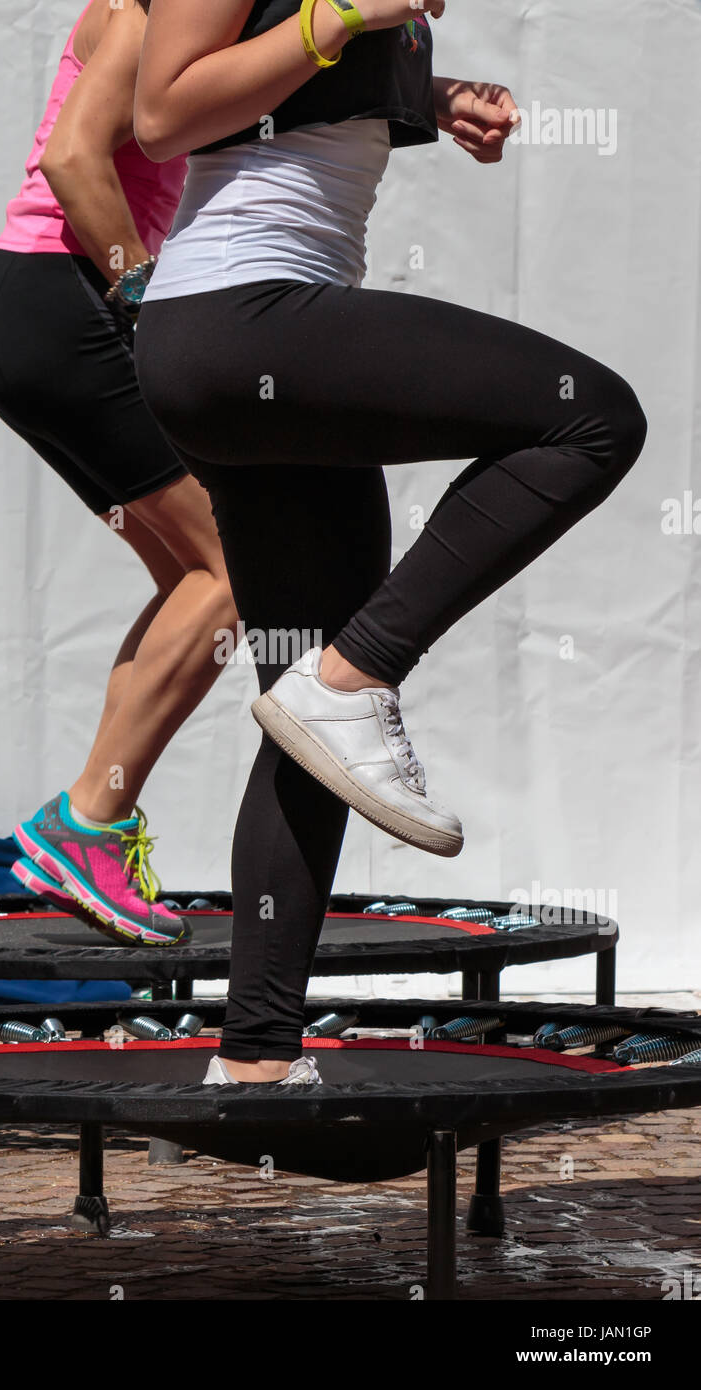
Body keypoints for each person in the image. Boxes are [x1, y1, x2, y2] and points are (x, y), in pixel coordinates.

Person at [132, 0, 648, 1076]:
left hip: (259, 348)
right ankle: (357, 671)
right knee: (588, 415)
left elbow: (289, 92)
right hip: (235, 321)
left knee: (305, 720)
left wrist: (432, 92)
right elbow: (162, 109)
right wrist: (341, 16)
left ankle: (256, 1053)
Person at [0, 0, 236, 946]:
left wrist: (429, 96)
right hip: (57, 304)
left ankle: (91, 824)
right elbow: (74, 157)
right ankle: (85, 825)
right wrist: (141, 297)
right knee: (235, 572)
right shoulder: (141, 11)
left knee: (188, 580)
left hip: (32, 312)